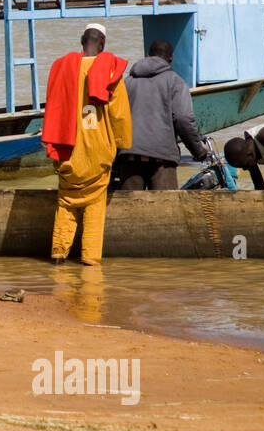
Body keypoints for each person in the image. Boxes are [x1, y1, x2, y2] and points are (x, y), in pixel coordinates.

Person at [41, 23, 132, 265]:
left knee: (66, 204)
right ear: (102, 45)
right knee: (94, 209)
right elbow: (120, 116)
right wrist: (123, 143)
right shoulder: (110, 72)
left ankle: (58, 256)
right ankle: (90, 262)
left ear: (82, 40)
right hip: (98, 154)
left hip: (66, 150)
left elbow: (51, 107)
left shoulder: (62, 68)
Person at [118, 40, 209, 190]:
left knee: (129, 209)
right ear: (171, 57)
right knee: (167, 209)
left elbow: (115, 117)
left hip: (129, 155)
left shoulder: (127, 82)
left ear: (148, 55)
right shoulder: (176, 82)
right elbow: (183, 119)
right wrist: (198, 151)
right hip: (162, 157)